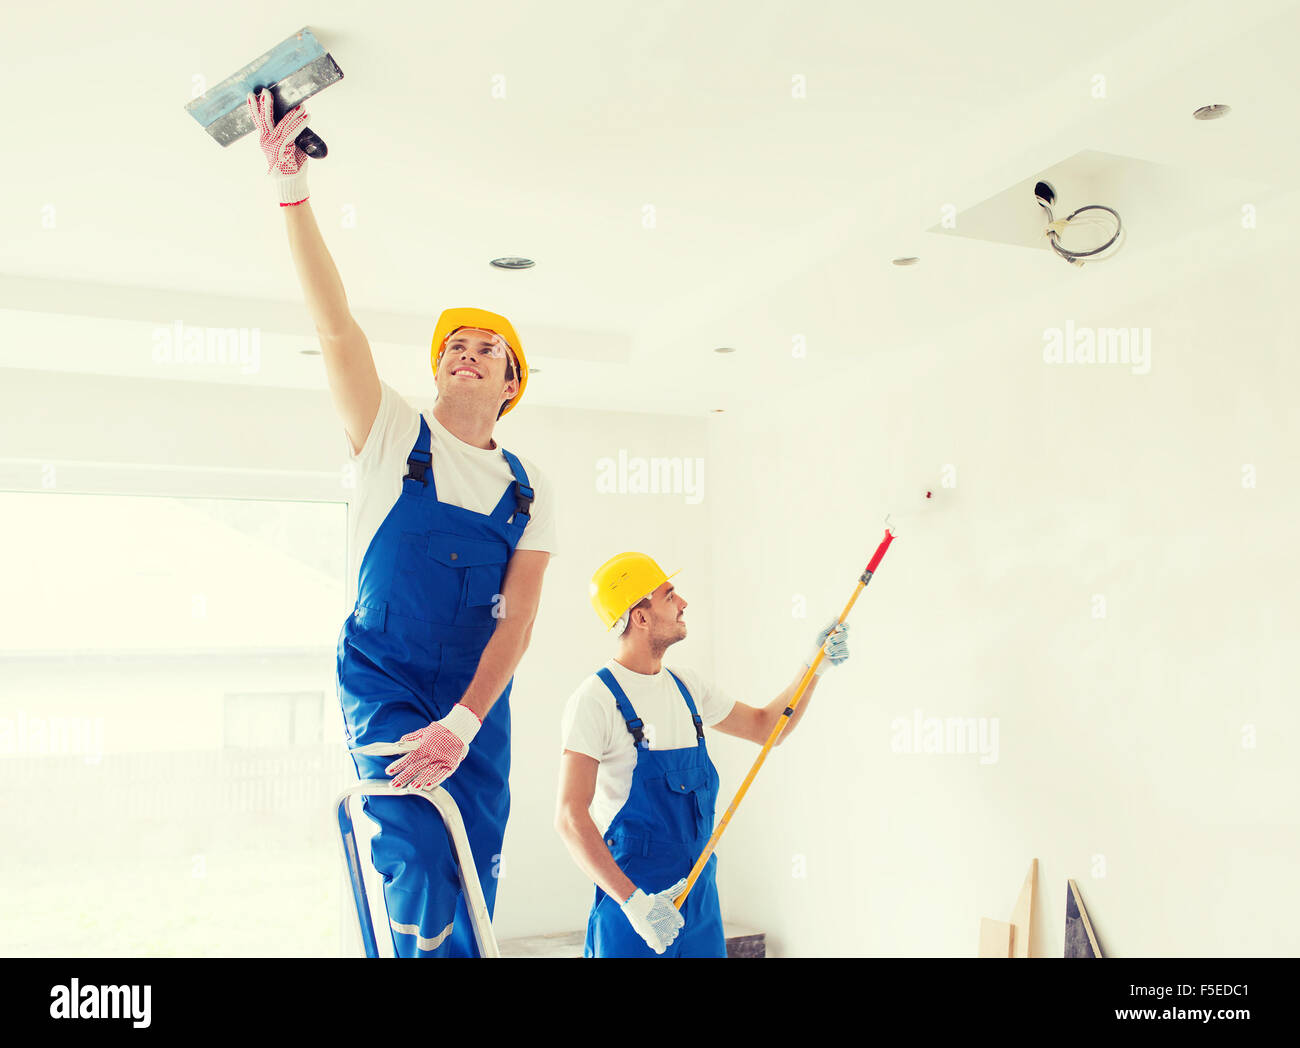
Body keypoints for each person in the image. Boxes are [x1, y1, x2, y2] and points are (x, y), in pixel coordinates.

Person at [247, 92, 556, 956]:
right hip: (384, 680)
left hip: (477, 703)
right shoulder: (390, 437)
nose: (464, 350)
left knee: (474, 870)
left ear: (509, 384)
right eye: (453, 343)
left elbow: (520, 617)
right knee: (416, 853)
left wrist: (465, 721)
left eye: (485, 347)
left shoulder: (528, 489)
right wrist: (292, 191)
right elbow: (334, 326)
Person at [556, 553, 848, 957]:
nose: (683, 603)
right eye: (669, 595)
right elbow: (570, 818)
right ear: (639, 617)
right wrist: (637, 906)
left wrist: (813, 669)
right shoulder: (595, 700)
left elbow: (768, 727)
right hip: (633, 908)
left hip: (700, 901)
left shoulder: (686, 687)